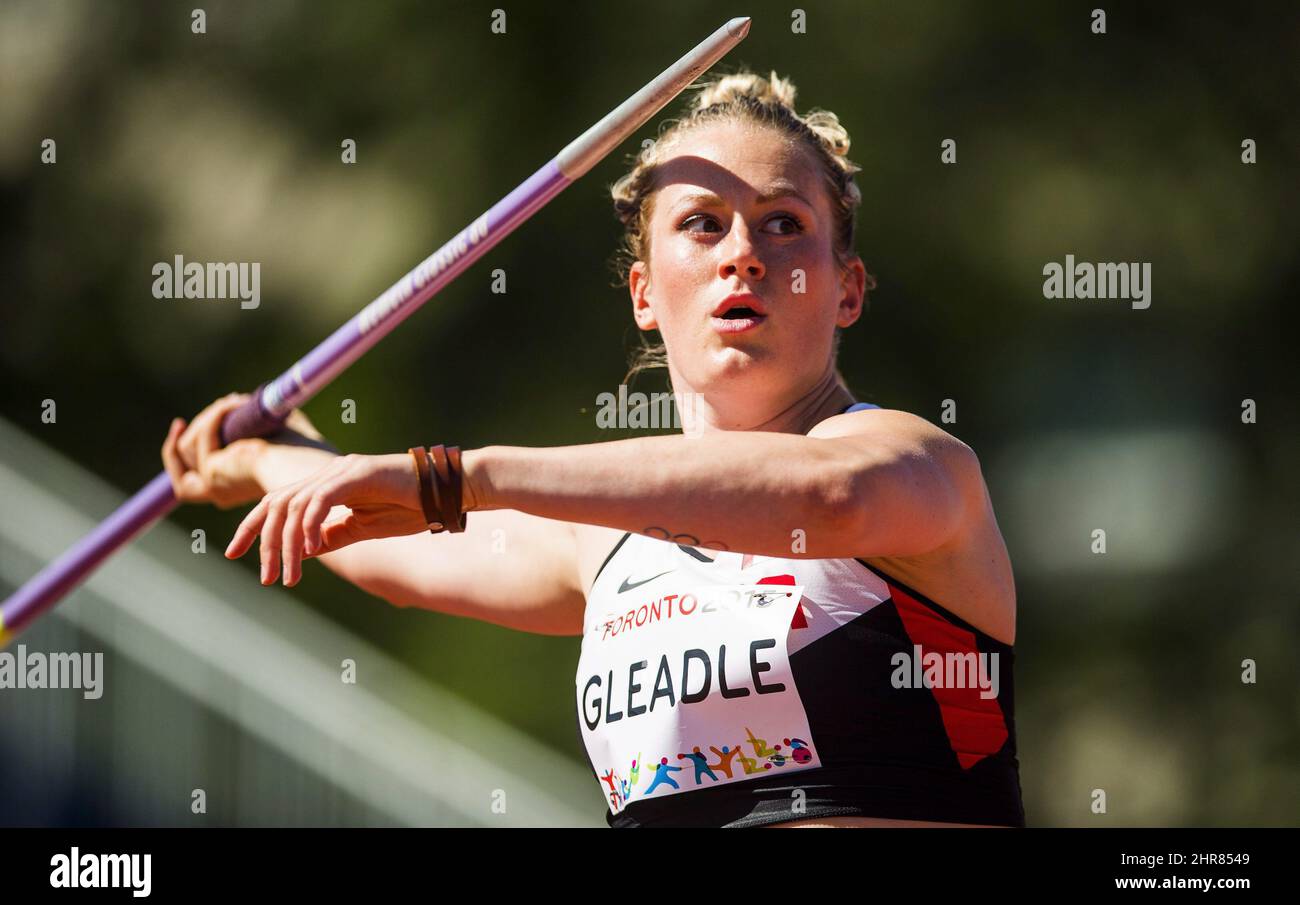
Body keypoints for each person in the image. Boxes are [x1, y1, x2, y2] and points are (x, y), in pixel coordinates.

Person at [161, 70, 1024, 828]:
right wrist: (270, 456)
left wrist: (460, 475)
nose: (743, 255)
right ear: (645, 292)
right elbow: (395, 541)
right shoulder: (605, 538)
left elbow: (824, 500)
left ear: (848, 290)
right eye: (702, 223)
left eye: (784, 224)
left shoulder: (918, 465)